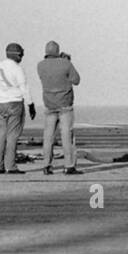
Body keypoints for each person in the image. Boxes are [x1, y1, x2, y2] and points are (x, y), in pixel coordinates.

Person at [36, 40, 81, 174]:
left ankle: (47, 165)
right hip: (65, 104)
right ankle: (69, 166)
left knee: (48, 136)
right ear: (58, 51)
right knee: (67, 135)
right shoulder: (66, 64)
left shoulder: (40, 65)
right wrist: (66, 62)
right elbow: (76, 80)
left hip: (49, 104)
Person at [0, 42, 34, 174]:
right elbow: (24, 88)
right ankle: (11, 166)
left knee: (0, 136)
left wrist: (1, 96)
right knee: (12, 136)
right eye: (21, 54)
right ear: (17, 55)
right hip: (15, 103)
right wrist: (30, 104)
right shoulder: (17, 68)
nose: (22, 57)